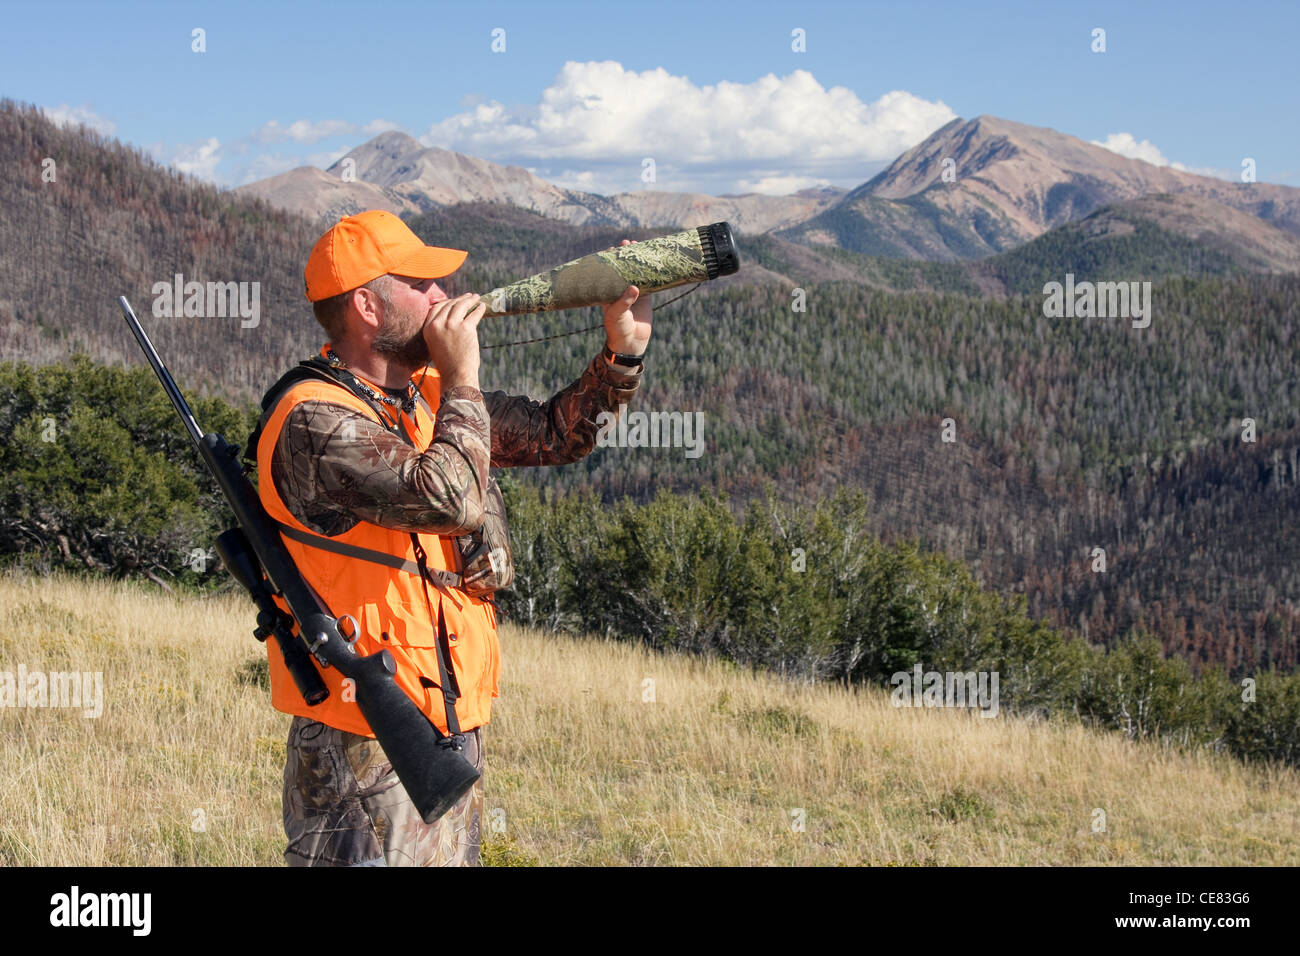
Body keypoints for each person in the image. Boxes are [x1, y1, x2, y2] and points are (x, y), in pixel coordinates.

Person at [253, 209, 650, 866]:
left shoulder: (424, 400)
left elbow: (560, 434)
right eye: (422, 284)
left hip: (445, 722)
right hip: (364, 740)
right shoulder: (314, 422)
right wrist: (463, 377)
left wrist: (622, 348)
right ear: (367, 307)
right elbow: (451, 498)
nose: (444, 295)